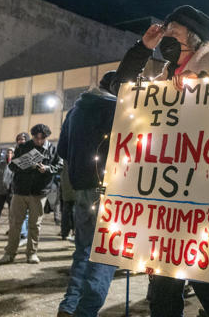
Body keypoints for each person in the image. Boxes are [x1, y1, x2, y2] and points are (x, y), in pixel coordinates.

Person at [112, 5, 209, 317]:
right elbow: (119, 86)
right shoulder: (163, 79)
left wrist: (204, 86)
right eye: (165, 36)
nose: (167, 42)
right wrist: (143, 48)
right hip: (163, 201)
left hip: (201, 200)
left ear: (196, 39)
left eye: (173, 35)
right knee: (162, 290)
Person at [56, 71, 119, 317]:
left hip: (81, 188)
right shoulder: (116, 109)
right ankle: (85, 311)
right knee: (107, 251)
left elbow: (62, 150)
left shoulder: (75, 110)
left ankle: (69, 306)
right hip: (110, 187)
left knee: (84, 250)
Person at [0, 124, 62, 264]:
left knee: (35, 225)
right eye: (36, 138)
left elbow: (60, 167)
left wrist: (48, 168)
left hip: (39, 192)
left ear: (47, 137)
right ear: (32, 136)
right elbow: (12, 166)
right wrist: (25, 163)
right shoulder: (23, 147)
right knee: (15, 224)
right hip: (20, 191)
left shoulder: (52, 149)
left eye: (42, 138)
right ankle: (9, 253)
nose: (39, 141)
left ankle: (31, 253)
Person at [59, 162, 75, 240]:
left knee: (66, 209)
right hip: (73, 185)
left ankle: (65, 232)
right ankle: (72, 231)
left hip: (66, 183)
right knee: (72, 210)